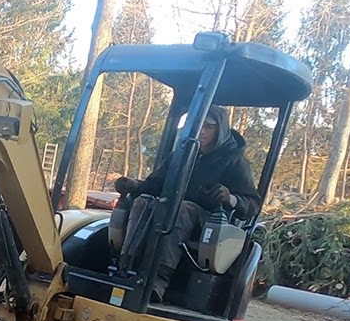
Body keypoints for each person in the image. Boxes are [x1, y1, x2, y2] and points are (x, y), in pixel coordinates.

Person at [111, 105, 260, 301]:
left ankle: (157, 281)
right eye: (199, 125)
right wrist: (135, 185)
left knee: (182, 208)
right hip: (170, 213)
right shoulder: (181, 154)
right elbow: (156, 184)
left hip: (212, 221)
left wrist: (229, 198)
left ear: (220, 129)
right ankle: (125, 267)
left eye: (209, 126)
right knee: (142, 202)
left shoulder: (235, 161)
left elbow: (251, 205)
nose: (202, 131)